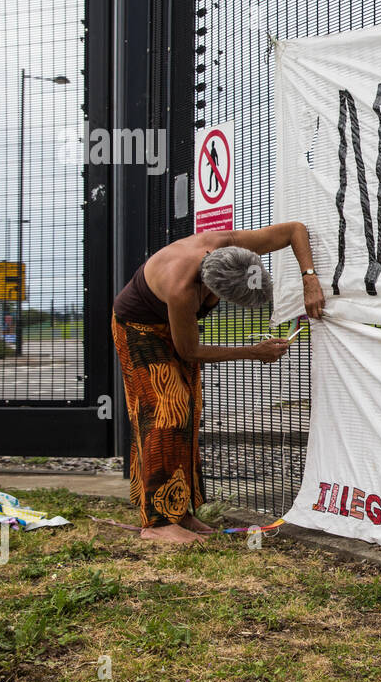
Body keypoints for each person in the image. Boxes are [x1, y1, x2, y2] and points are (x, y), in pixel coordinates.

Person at [111, 223, 325, 544]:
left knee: (190, 409)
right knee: (168, 412)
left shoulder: (227, 244)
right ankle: (156, 524)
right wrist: (252, 352)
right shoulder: (181, 287)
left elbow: (294, 230)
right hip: (139, 329)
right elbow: (190, 351)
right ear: (213, 289)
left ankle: (179, 511)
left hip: (172, 324)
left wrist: (309, 278)